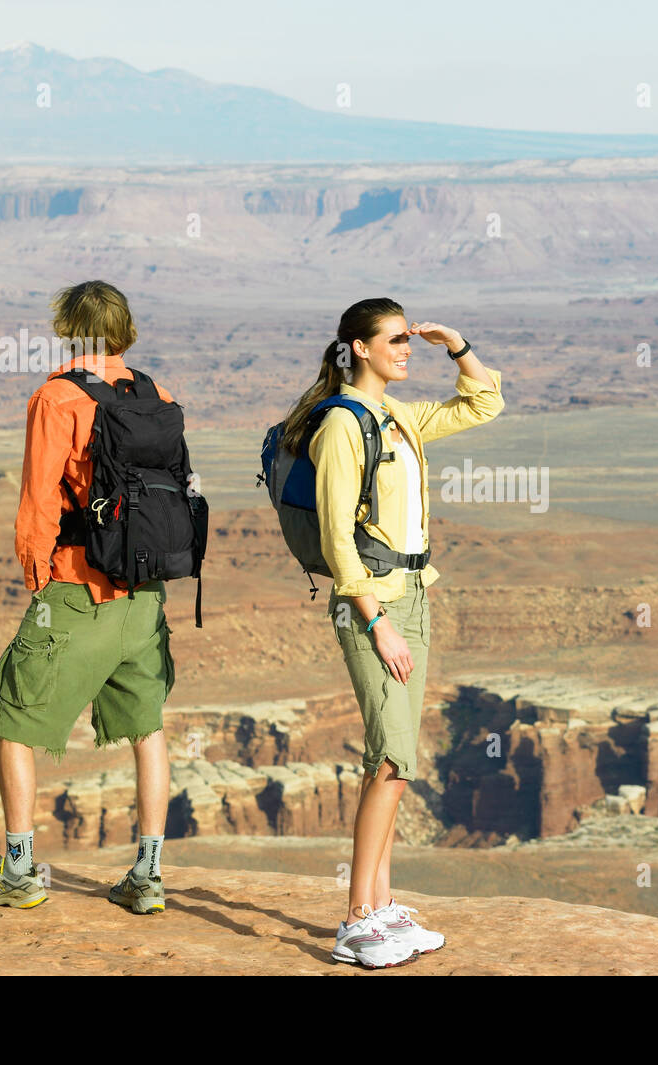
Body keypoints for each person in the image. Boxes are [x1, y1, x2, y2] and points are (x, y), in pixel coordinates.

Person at [283, 298, 504, 967]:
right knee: (388, 757)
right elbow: (334, 537)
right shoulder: (343, 426)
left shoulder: (398, 416)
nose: (407, 350)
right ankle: (355, 920)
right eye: (396, 340)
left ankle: (381, 905)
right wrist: (376, 620)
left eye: (410, 339)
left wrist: (457, 346)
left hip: (414, 594)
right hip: (373, 605)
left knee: (398, 762)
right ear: (358, 347)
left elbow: (483, 404)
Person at [0, 281, 178, 916]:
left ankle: (20, 870)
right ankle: (148, 875)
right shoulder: (156, 395)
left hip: (77, 587)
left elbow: (38, 504)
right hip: (145, 594)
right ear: (124, 328)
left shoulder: (56, 397)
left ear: (67, 327)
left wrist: (41, 586)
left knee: (12, 717)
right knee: (147, 727)